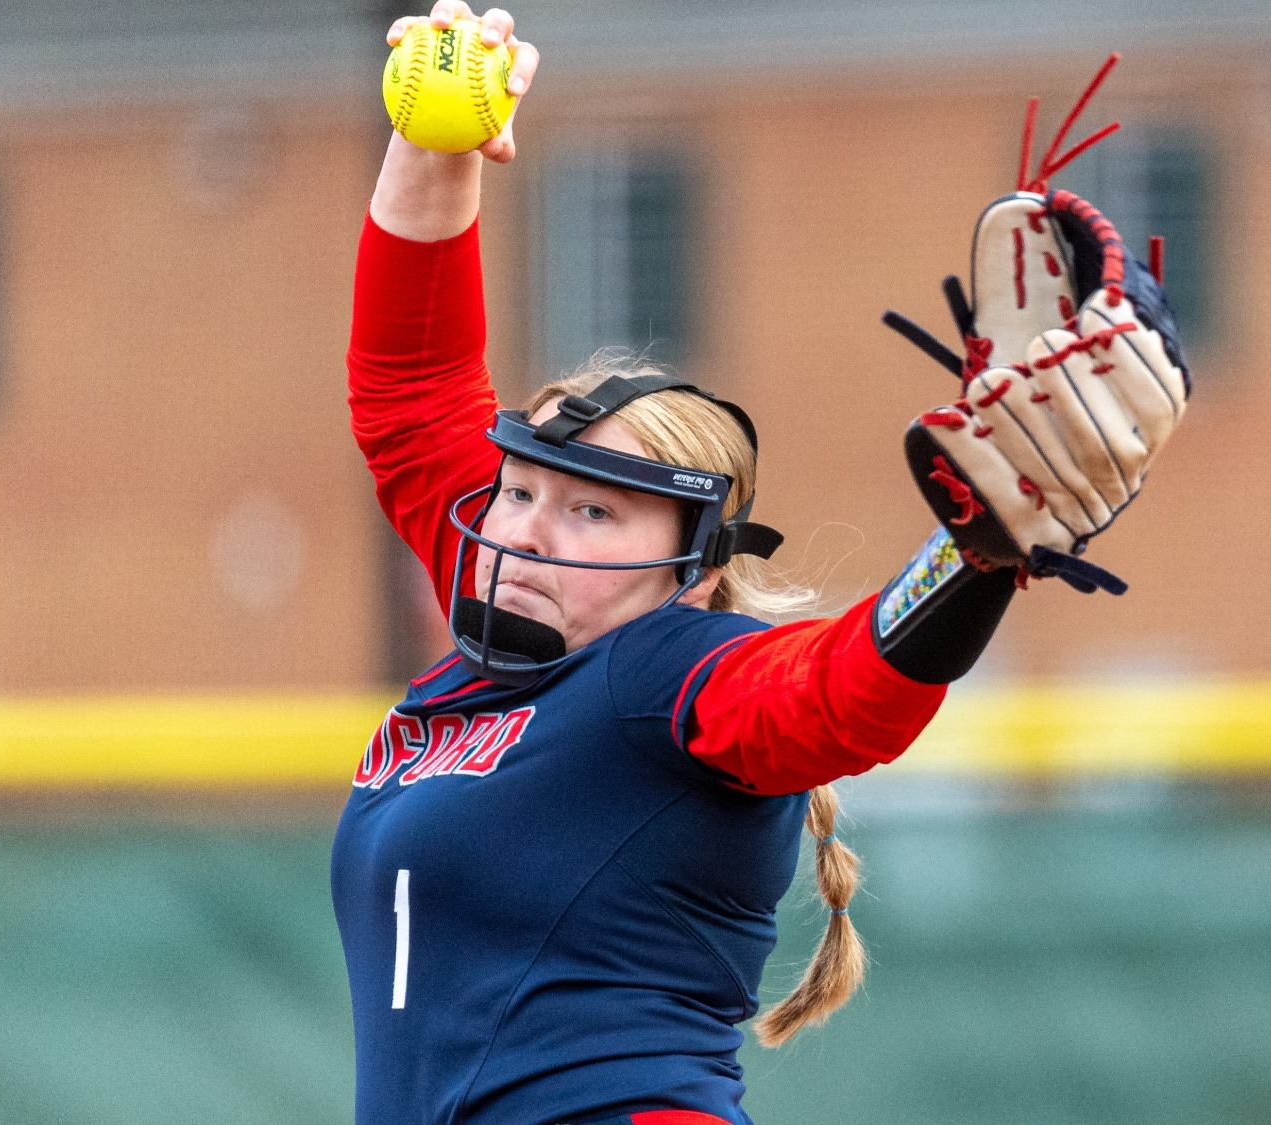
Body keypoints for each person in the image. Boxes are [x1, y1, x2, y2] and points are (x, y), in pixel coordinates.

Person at [332, 6, 1024, 1122]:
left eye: (594, 513)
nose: (527, 529)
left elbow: (836, 697)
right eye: (518, 491)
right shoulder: (512, 613)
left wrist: (976, 557)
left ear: (690, 571)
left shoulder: (666, 671)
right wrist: (431, 145)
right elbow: (409, 389)